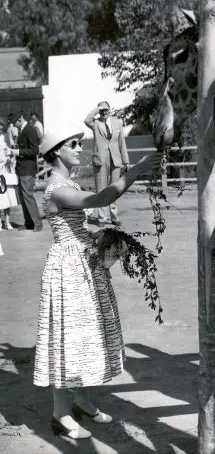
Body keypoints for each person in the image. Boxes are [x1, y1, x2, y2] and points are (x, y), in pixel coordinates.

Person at [33, 127, 162, 440]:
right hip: (67, 270)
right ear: (55, 153)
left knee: (88, 335)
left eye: (79, 142)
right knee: (70, 338)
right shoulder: (56, 188)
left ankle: (81, 400)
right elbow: (101, 197)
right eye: (72, 144)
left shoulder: (69, 183)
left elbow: (81, 221)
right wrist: (136, 171)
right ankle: (59, 414)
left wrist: (103, 237)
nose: (79, 147)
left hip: (83, 262)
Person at [84, 101, 129, 227]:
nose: (104, 112)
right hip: (101, 159)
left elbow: (122, 143)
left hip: (116, 159)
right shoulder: (95, 123)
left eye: (106, 109)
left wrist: (126, 160)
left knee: (114, 188)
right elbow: (87, 119)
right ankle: (102, 218)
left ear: (110, 110)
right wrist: (97, 109)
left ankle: (114, 217)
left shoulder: (117, 123)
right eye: (102, 110)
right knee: (101, 189)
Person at [10, 112, 43, 232]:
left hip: (28, 169)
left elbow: (35, 150)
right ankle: (28, 222)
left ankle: (37, 224)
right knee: (23, 197)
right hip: (21, 168)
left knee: (28, 196)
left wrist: (18, 152)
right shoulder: (23, 131)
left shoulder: (30, 130)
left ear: (20, 119)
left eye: (15, 123)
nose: (14, 126)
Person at [0, 120, 18, 230]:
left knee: (8, 196)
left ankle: (7, 221)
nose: (0, 131)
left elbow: (11, 151)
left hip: (5, 170)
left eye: (1, 129)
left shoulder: (5, 138)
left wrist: (9, 159)